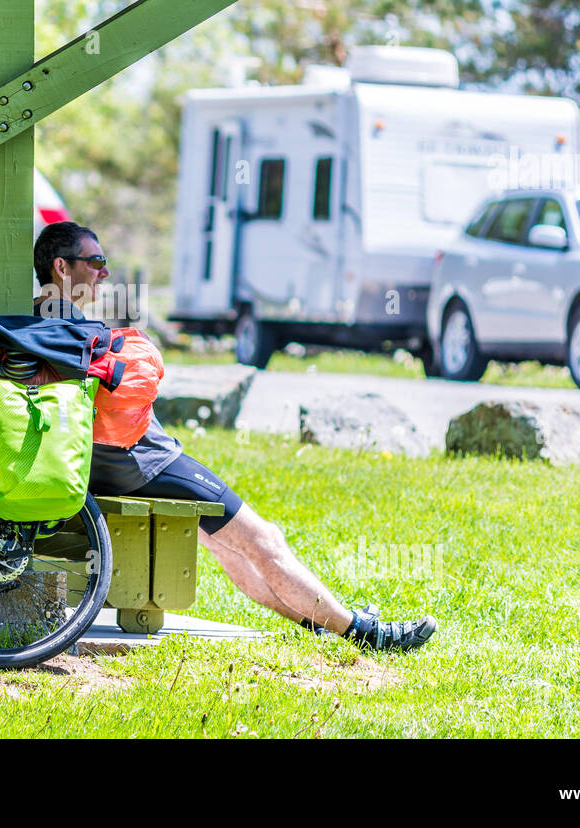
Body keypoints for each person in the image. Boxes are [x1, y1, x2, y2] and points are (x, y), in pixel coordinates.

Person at [33, 221, 438, 651]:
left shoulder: (38, 319)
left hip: (107, 465)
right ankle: (364, 632)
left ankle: (321, 620)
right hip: (144, 463)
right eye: (95, 262)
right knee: (262, 538)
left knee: (228, 547)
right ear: (62, 267)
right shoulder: (70, 329)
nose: (104, 274)